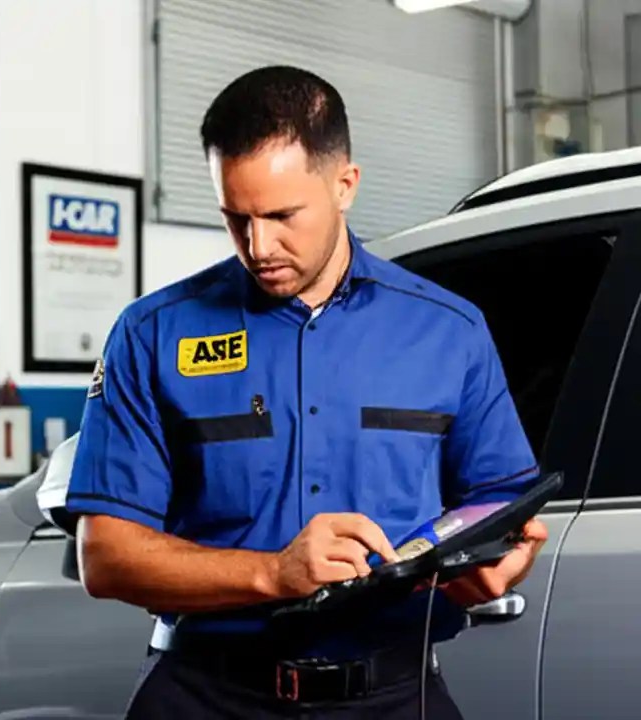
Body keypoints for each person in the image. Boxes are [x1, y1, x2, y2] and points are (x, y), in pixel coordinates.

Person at [62, 65, 549, 719]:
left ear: (345, 184)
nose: (258, 247)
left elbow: (498, 505)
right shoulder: (151, 335)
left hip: (395, 698)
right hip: (208, 698)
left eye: (282, 215)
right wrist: (271, 573)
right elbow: (106, 556)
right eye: (236, 219)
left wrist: (496, 564)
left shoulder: (449, 332)